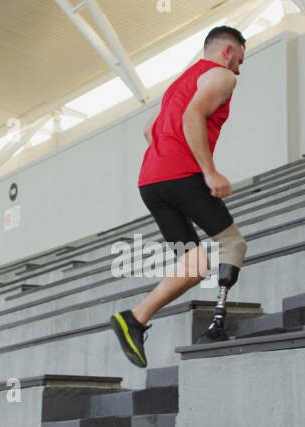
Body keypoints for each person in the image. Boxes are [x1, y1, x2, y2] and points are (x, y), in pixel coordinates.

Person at [110, 26, 249, 369]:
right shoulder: (221, 76)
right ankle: (216, 326)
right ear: (227, 51)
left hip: (151, 182)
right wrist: (209, 171)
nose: (239, 70)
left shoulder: (179, 83)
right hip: (182, 176)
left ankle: (134, 319)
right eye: (240, 61)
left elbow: (148, 129)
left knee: (193, 265)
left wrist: (167, 160)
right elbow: (193, 116)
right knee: (233, 245)